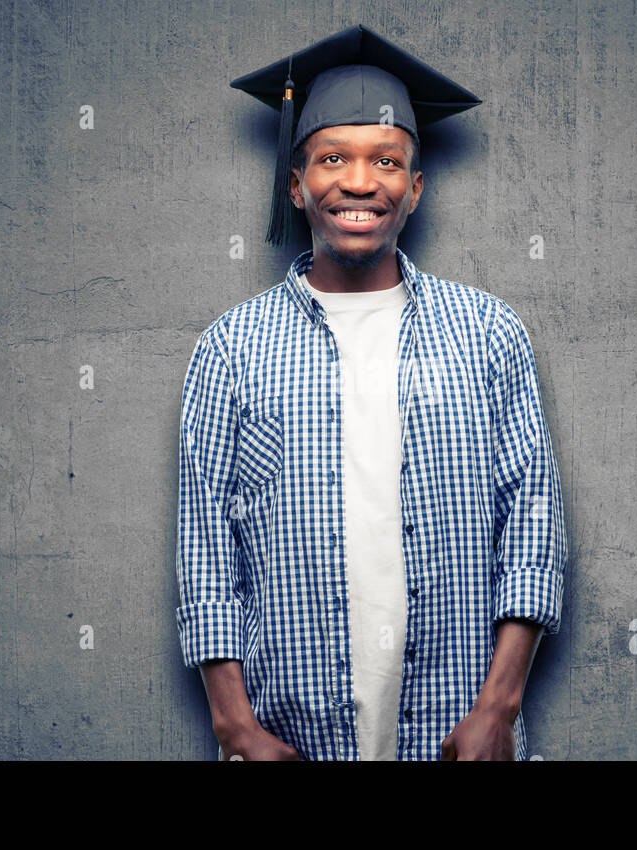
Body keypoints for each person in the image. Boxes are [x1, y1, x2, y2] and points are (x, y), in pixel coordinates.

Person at [175, 24, 567, 760]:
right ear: (296, 184)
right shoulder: (230, 348)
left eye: (387, 160)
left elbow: (533, 525)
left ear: (414, 188)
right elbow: (205, 548)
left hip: (458, 731)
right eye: (332, 159)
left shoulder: (488, 334)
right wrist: (235, 729)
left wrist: (499, 711)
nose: (360, 182)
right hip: (289, 738)